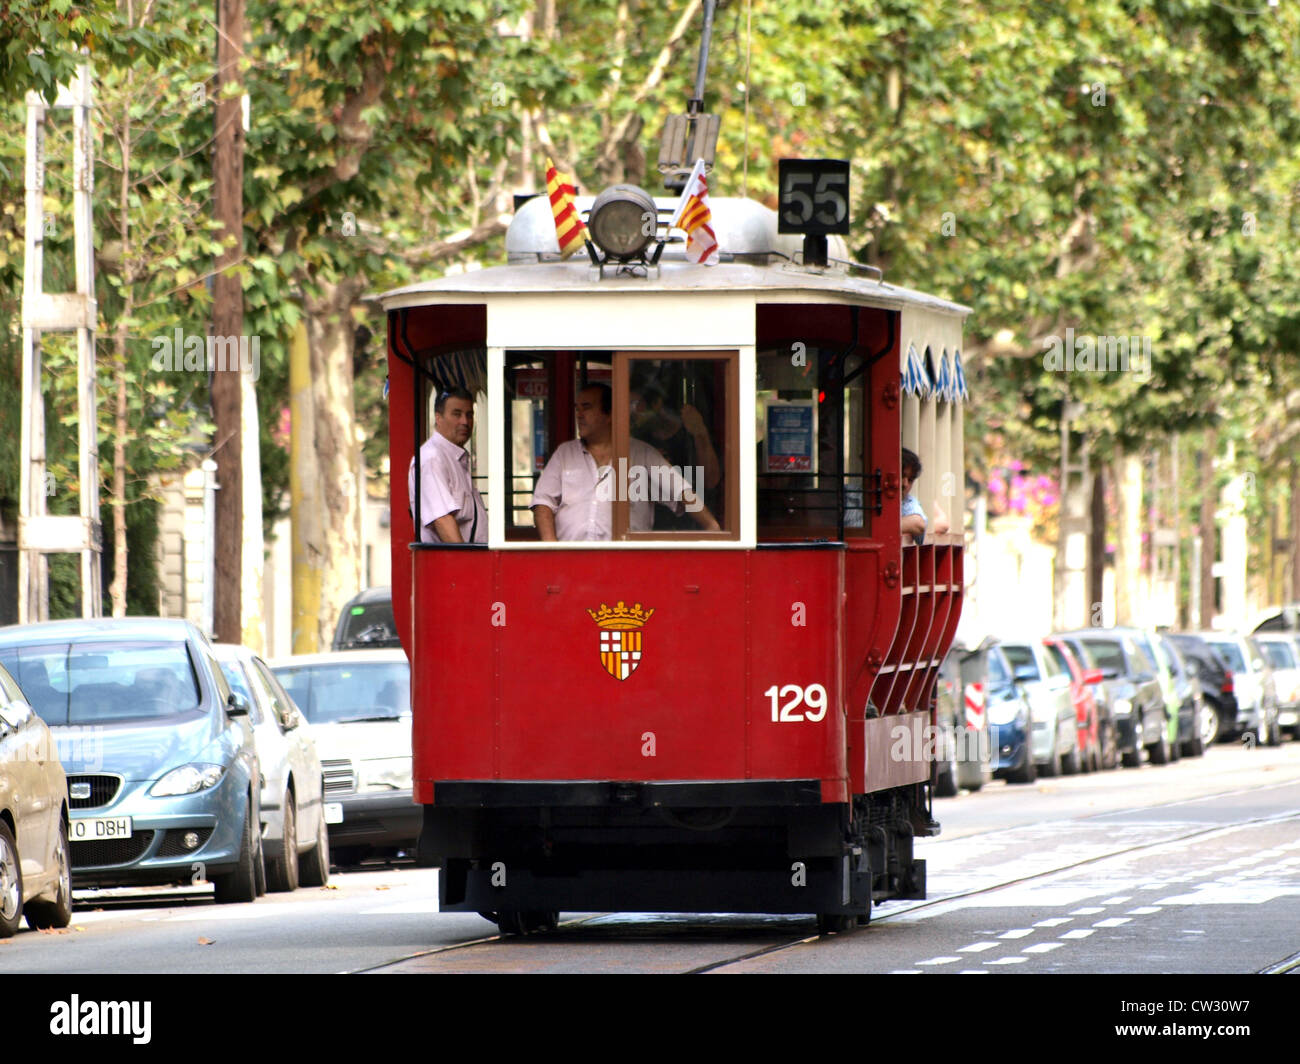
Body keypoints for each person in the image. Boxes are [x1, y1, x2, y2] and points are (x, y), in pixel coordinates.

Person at [531, 383, 721, 540]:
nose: (579, 414)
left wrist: (712, 527)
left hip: (626, 562)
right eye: (577, 409)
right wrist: (554, 551)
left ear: (609, 414)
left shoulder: (642, 453)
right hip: (572, 563)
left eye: (587, 407)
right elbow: (543, 502)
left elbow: (682, 491)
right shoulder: (565, 453)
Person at [408, 386, 487, 543]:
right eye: (457, 414)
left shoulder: (454, 457)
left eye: (469, 415)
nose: (465, 422)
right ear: (438, 418)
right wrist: (465, 563)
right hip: (455, 563)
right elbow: (442, 519)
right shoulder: (432, 458)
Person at [900, 447, 949, 545]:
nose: (905, 484)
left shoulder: (908, 502)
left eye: (910, 480)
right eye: (901, 475)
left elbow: (919, 524)